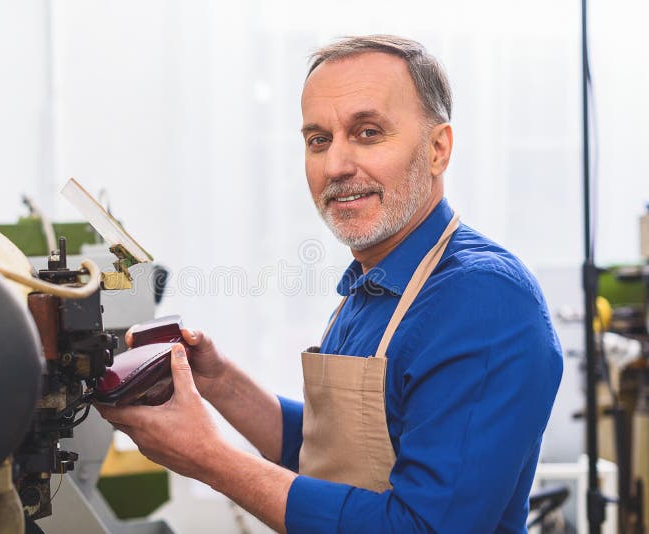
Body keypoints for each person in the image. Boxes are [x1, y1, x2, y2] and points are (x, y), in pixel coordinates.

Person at [96, 35, 563, 533]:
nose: (335, 166)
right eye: (319, 140)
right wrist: (222, 384)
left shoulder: (483, 300)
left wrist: (209, 458)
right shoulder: (371, 287)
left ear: (437, 149)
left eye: (367, 132)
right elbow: (332, 455)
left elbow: (423, 527)